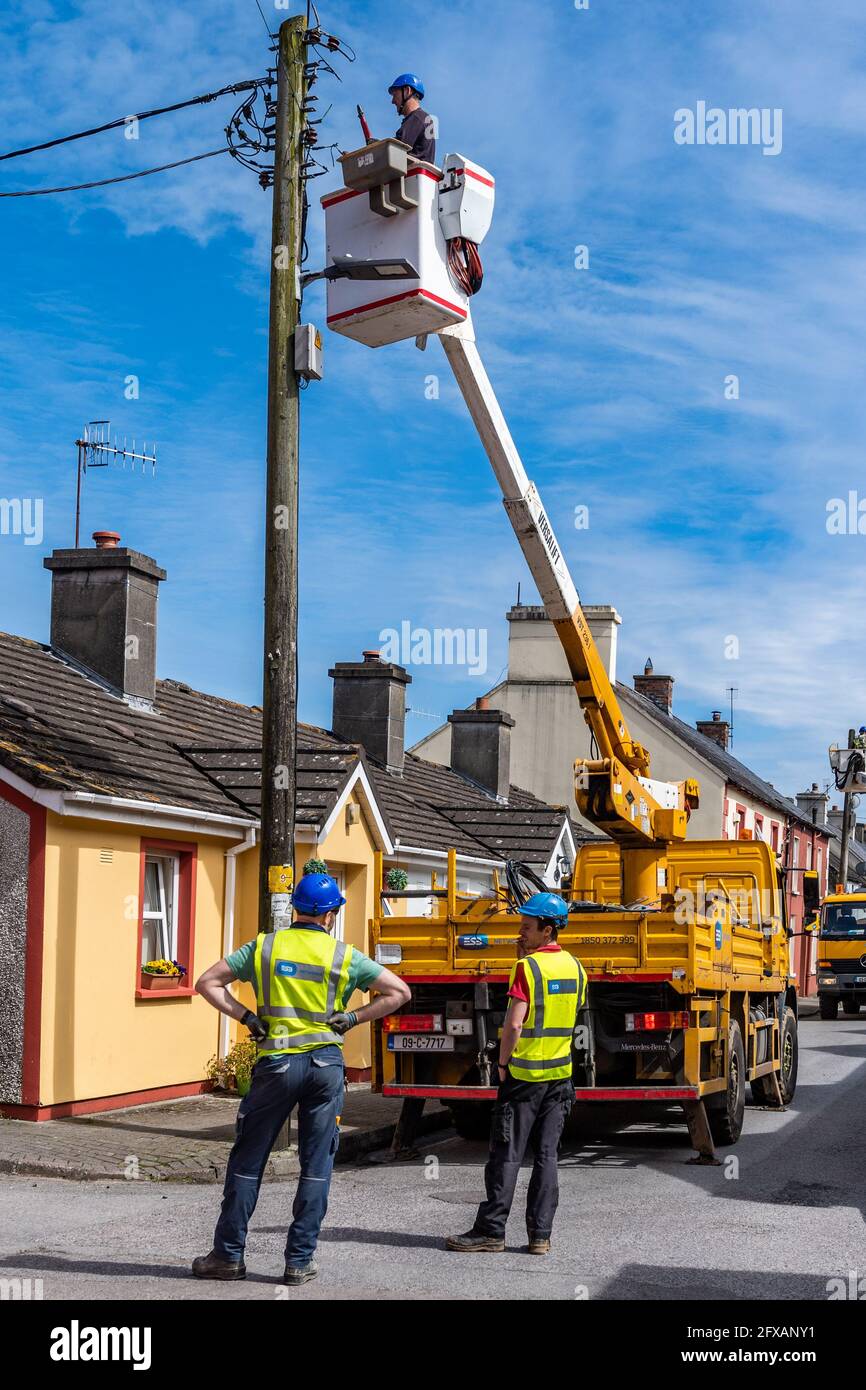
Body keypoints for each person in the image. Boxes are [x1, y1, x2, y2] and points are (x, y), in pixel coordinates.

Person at [192, 871, 410, 1285]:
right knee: (316, 1165)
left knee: (247, 1161)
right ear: (331, 914)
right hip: (325, 1068)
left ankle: (227, 1256)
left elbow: (208, 983)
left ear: (295, 908)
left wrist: (247, 1017)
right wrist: (351, 1017)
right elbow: (399, 992)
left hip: (275, 1066)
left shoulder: (265, 947)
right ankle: (298, 1262)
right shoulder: (345, 957)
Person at [446, 893, 586, 1255]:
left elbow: (513, 1023)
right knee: (547, 1156)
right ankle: (540, 1236)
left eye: (527, 927)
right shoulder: (577, 968)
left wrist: (503, 1063)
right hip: (560, 1076)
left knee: (506, 1155)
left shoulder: (527, 969)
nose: (520, 933)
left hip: (524, 1078)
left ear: (547, 929)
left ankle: (491, 1231)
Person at [388, 72, 436, 164]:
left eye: (395, 95)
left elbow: (396, 149)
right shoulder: (422, 118)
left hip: (410, 175)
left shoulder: (417, 118)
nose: (393, 101)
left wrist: (378, 148)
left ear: (407, 91)